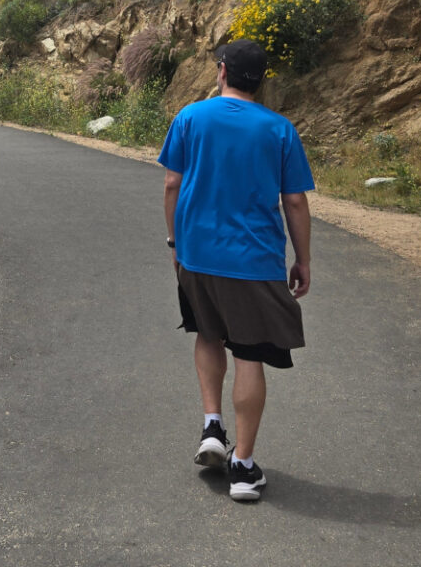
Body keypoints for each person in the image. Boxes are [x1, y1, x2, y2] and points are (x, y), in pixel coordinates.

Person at [158, 38, 313, 502]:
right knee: (249, 354)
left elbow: (171, 183)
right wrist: (302, 259)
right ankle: (242, 468)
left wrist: (175, 241)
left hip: (197, 255)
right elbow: (295, 201)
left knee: (207, 334)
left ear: (222, 71)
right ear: (259, 80)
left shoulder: (190, 117)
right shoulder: (280, 129)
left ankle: (212, 426)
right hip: (254, 260)